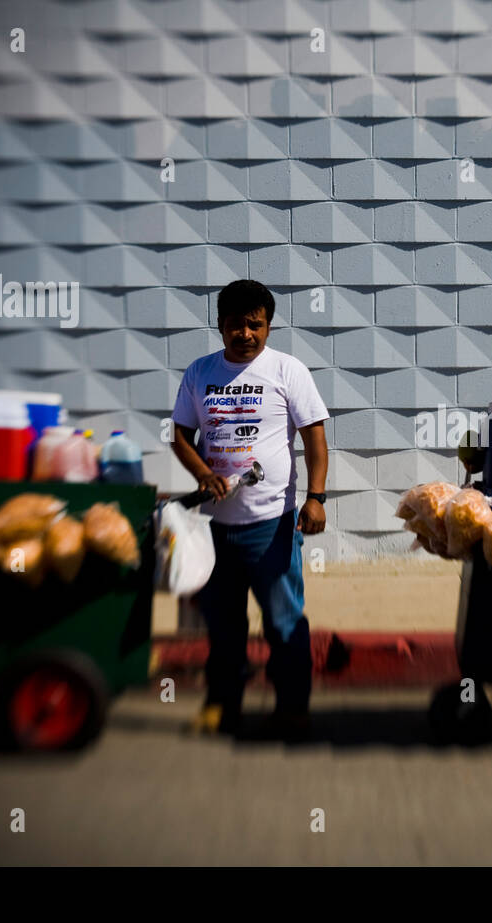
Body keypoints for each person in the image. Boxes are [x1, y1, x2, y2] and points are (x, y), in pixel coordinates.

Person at [170, 279, 330, 737]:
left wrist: (316, 498)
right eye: (236, 325)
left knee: (283, 622)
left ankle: (292, 707)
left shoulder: (287, 371)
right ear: (220, 326)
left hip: (271, 525)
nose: (246, 334)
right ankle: (223, 704)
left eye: (255, 325)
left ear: (268, 326)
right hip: (214, 528)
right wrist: (204, 474)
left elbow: (314, 436)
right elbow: (180, 437)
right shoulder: (199, 373)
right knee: (223, 627)